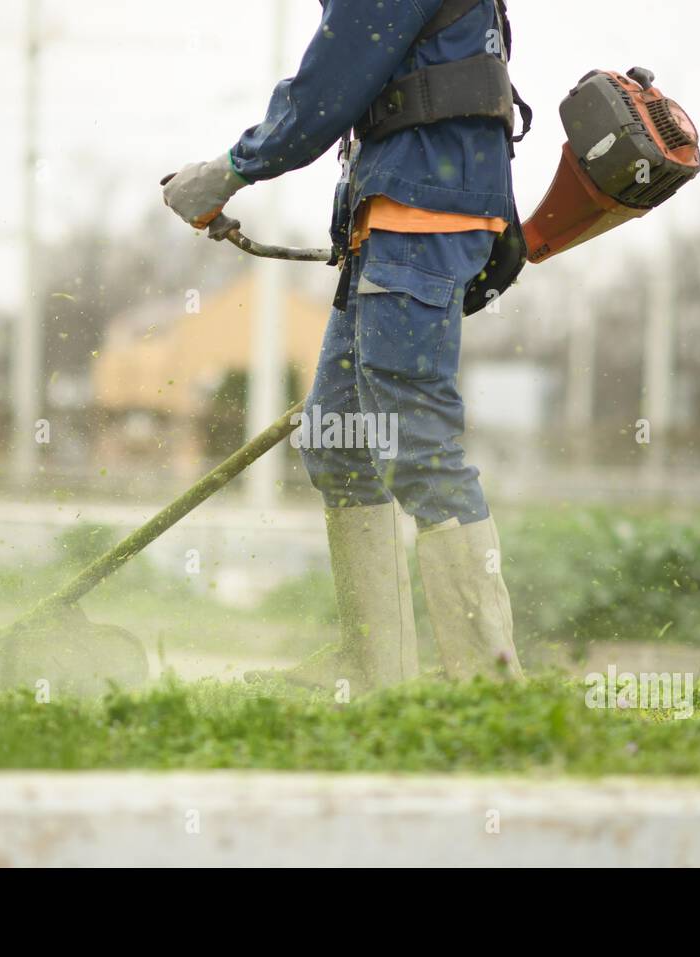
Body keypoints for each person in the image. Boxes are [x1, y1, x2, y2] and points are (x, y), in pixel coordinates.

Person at [163, 0, 525, 693]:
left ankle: (491, 688)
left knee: (420, 450)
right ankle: (375, 673)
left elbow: (324, 92)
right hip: (395, 225)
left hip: (417, 225)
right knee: (340, 440)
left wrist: (227, 171)